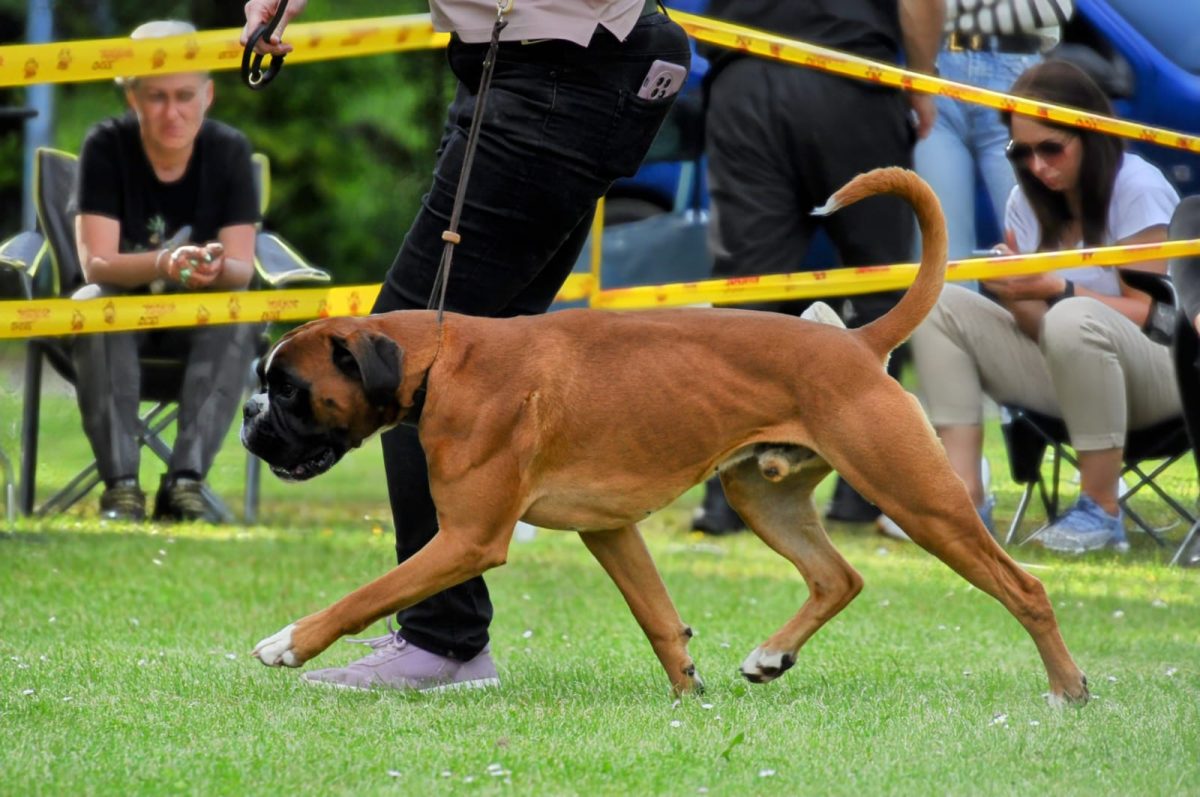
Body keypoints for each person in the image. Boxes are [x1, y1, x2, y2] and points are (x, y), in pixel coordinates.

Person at [242, 0, 691, 691]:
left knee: (397, 362)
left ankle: (441, 639)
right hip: (545, 66)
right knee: (482, 367)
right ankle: (457, 636)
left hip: (557, 71)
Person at [688, 0, 944, 536]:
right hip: (849, 74)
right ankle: (867, 493)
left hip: (745, 71)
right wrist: (922, 79)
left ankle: (727, 498)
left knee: (746, 295)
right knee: (880, 295)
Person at [908, 60, 1182, 553]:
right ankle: (963, 500)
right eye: (1022, 151)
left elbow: (1157, 317)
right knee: (938, 300)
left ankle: (1100, 508)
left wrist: (1058, 289)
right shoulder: (1024, 200)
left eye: (1051, 148)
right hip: (1072, 367)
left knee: (1073, 315)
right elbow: (1044, 329)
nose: (1037, 166)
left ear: (1092, 134)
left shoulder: (1136, 187)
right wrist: (1018, 294)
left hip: (1162, 376)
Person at [72, 20, 262, 523]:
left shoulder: (229, 150)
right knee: (92, 304)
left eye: (184, 95)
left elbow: (241, 268)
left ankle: (186, 483)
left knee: (241, 313)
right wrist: (163, 263)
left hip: (198, 318)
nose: (172, 112)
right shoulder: (105, 146)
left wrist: (211, 268)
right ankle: (122, 486)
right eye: (156, 96)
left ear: (208, 94)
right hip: (122, 317)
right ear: (132, 96)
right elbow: (95, 263)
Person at [914, 0, 1073, 263]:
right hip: (936, 68)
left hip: (1014, 71)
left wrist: (941, 10)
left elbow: (1053, 7)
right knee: (938, 258)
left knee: (1037, 251)